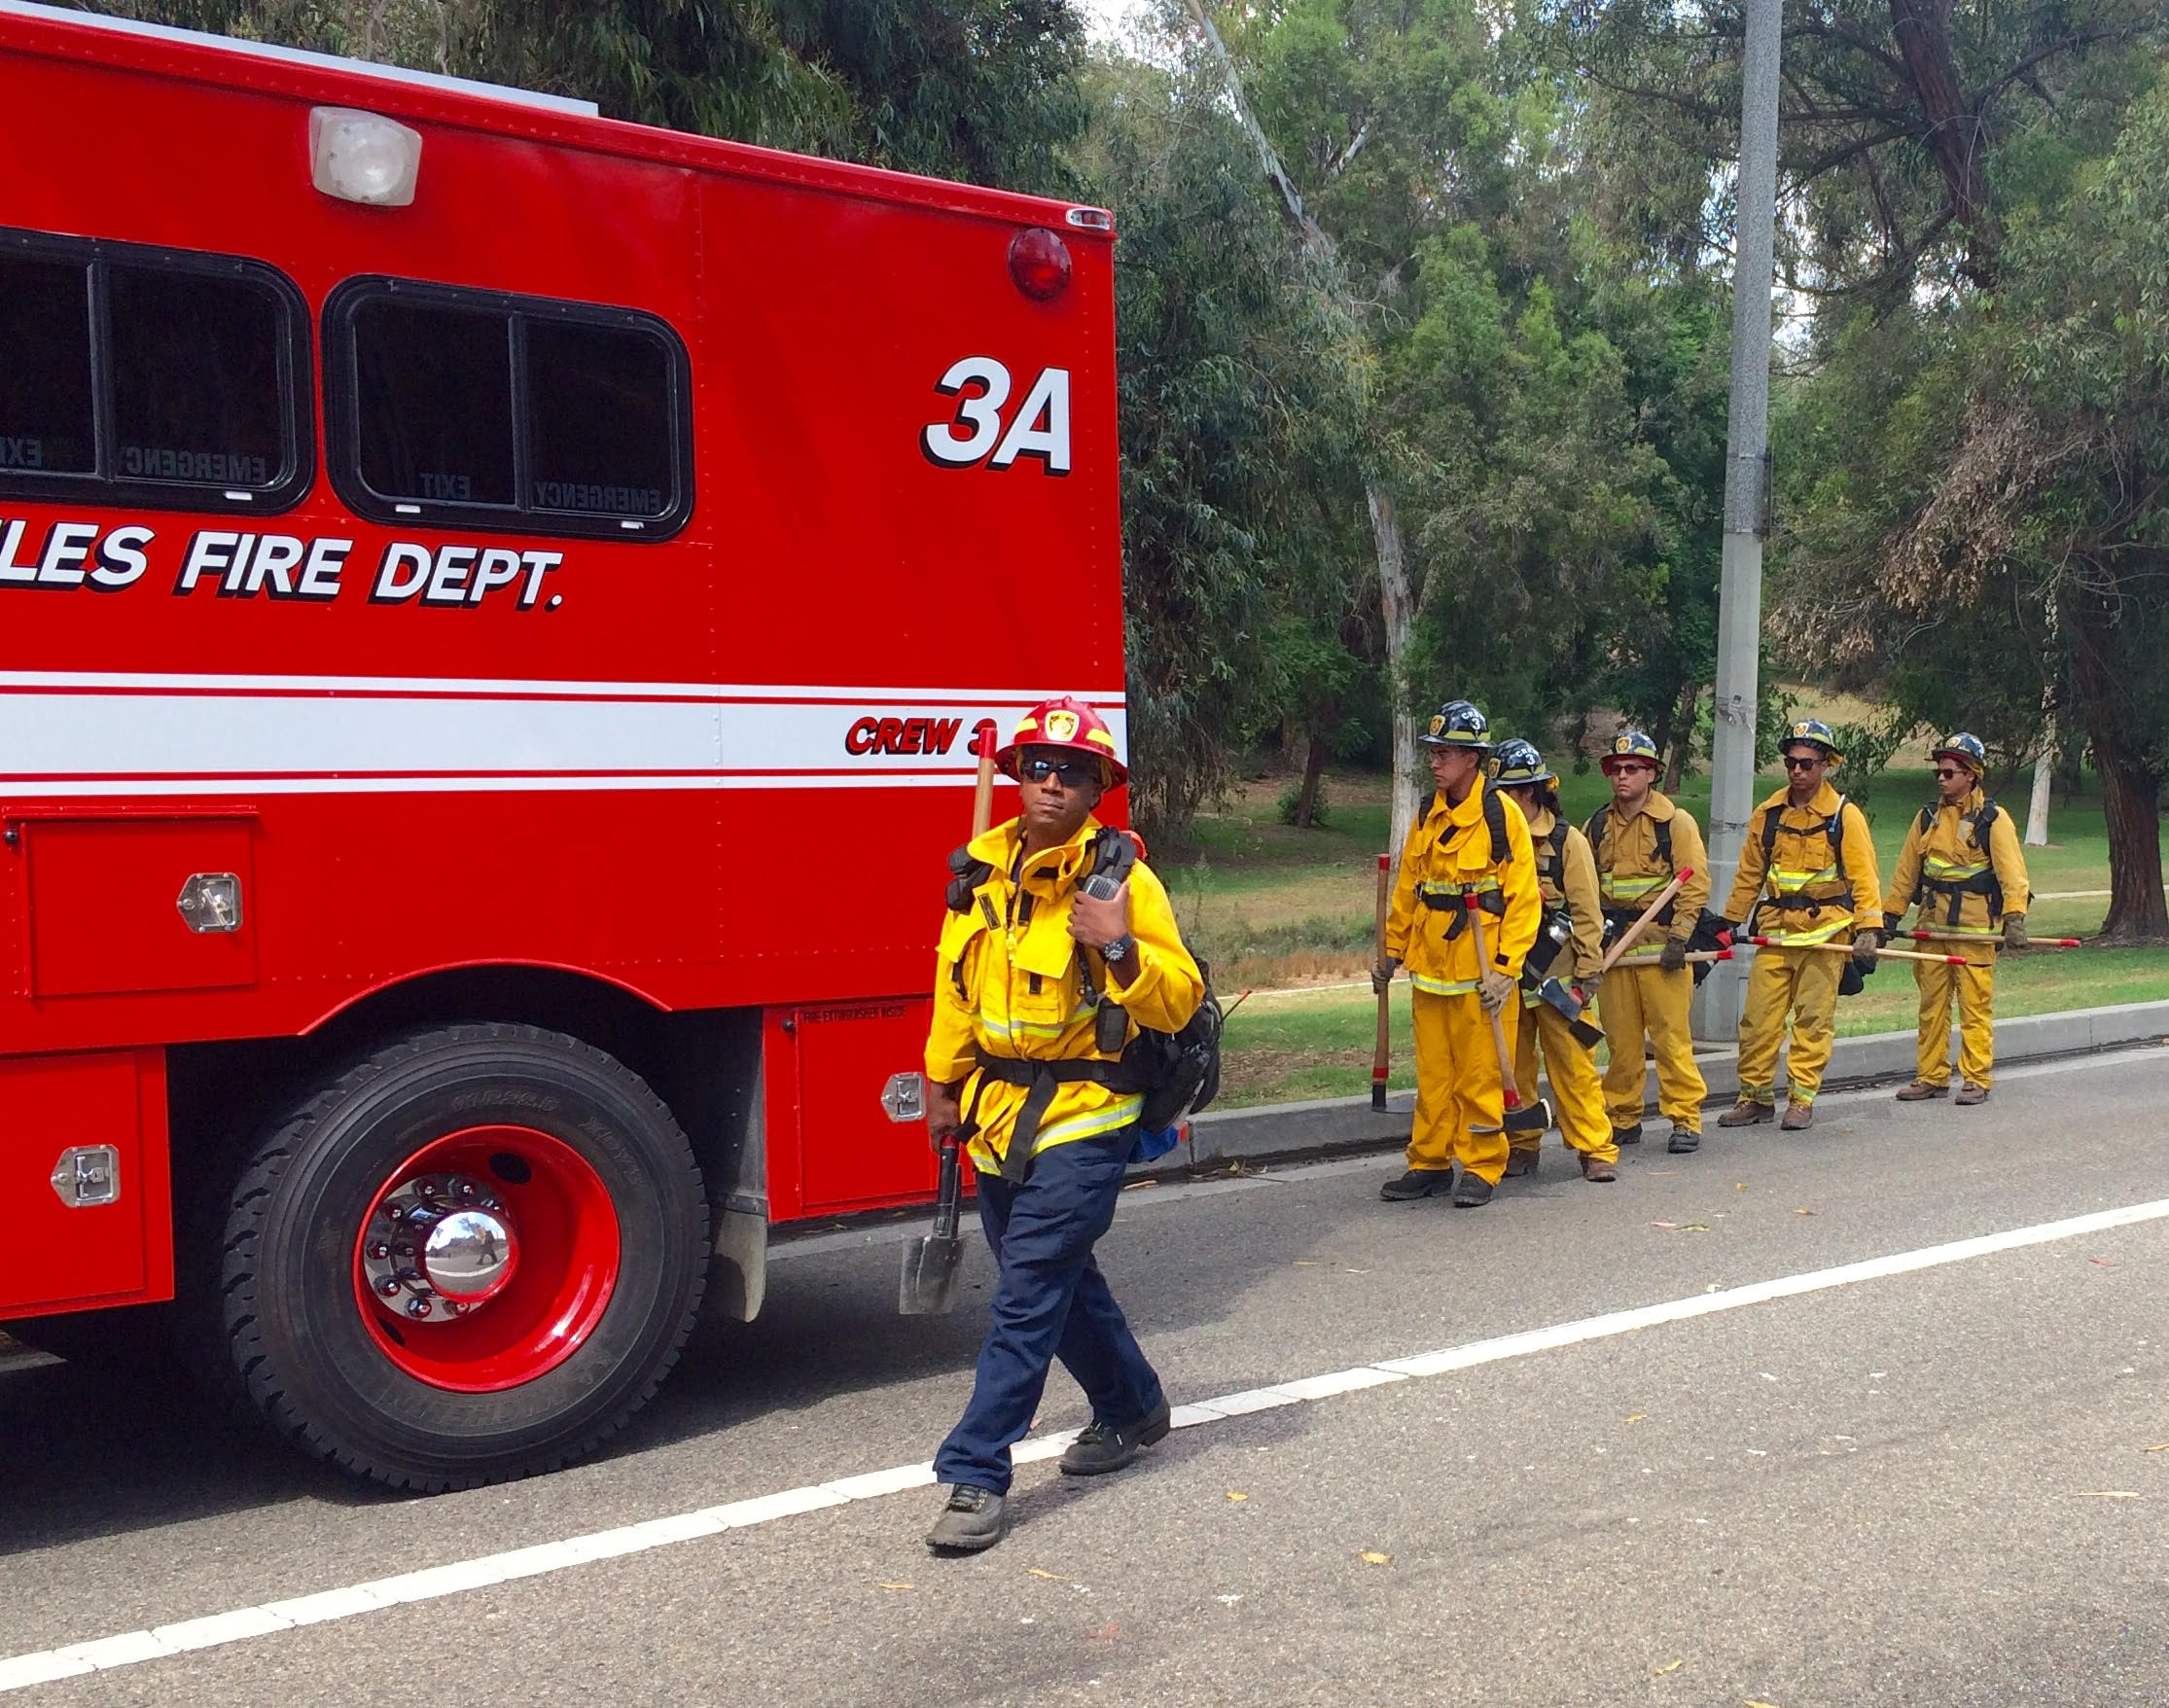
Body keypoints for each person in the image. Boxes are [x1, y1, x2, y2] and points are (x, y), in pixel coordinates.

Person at [920, 696, 1204, 1553]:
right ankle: (1132, 1405)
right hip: (998, 1113)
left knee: (1027, 1291)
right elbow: (954, 992)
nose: (1051, 783)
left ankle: (976, 1472)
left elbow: (1179, 998)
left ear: (1098, 790)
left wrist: (1119, 946)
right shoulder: (977, 871)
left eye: (1073, 772)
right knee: (1059, 1277)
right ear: (1015, 776)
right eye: (1037, 766)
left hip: (1090, 1113)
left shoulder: (1124, 878)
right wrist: (941, 1085)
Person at [1373, 699, 1542, 1208]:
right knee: (1433, 1076)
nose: (1435, 761)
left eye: (1445, 752)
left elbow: (1523, 899)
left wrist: (1507, 971)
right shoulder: (1428, 812)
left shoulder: (1501, 815)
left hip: (1482, 975)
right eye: (1433, 751)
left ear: (1472, 758)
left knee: (1481, 1075)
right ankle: (1428, 1163)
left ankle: (1482, 1165)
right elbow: (1410, 888)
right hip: (1430, 970)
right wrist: (1391, 950)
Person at [1709, 719, 1883, 1132]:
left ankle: (1801, 1099)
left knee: (1812, 1020)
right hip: (1776, 932)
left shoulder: (1845, 815)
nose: (1798, 771)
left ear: (1826, 765)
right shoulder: (1768, 814)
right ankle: (1755, 1098)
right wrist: (1729, 922)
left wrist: (1869, 929)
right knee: (1757, 1020)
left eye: (1807, 763)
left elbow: (1863, 876)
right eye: (1791, 763)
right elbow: (1749, 875)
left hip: (1826, 934)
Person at [1490, 738, 1617, 1183]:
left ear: (1529, 793)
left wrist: (1588, 973)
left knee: (1574, 1067)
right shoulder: (1494, 842)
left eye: (1505, 794)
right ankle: (1522, 1146)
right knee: (1514, 1067)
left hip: (1557, 979)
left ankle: (1595, 1148)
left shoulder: (1567, 842)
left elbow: (1586, 912)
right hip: (1507, 978)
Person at [1882, 732, 2032, 1105]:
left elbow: (2013, 874)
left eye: (1950, 771)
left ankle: (1976, 1077)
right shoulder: (1927, 818)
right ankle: (1931, 1076)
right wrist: (1888, 916)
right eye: (1940, 771)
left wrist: (2014, 918)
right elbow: (1906, 873)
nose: (1941, 778)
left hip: (1973, 932)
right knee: (1931, 1006)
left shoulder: (1993, 820)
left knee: (1974, 1006)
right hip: (1931, 929)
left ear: (1972, 776)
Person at [1585, 729, 1711, 1155]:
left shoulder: (1676, 823)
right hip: (1615, 951)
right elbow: (1585, 888)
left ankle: (1685, 1118)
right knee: (1621, 1043)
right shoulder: (1597, 825)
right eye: (1616, 769)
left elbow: (1693, 884)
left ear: (1652, 773)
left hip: (1661, 950)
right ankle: (1623, 1117)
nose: (1622, 777)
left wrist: (1680, 938)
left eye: (1632, 769)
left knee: (1671, 1040)